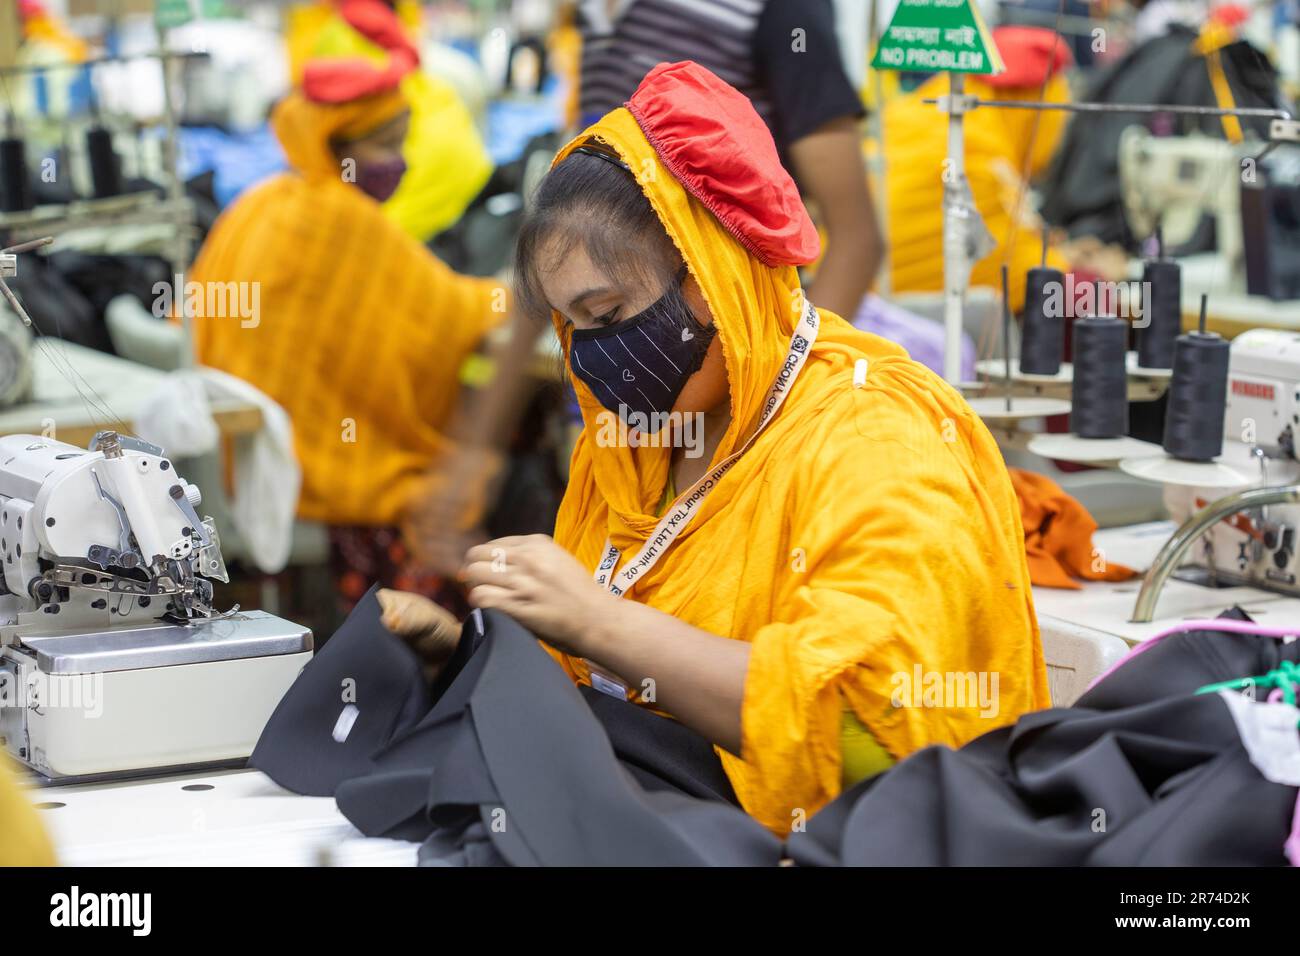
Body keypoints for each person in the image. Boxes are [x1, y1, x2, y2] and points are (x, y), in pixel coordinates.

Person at [387, 62, 1049, 834]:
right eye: (577, 328)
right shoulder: (636, 452)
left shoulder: (875, 437)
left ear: (718, 268)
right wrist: (462, 656)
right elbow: (598, 700)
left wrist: (600, 622)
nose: (598, 358)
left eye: (610, 313)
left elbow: (877, 736)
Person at [187, 20, 506, 610]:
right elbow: (450, 317)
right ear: (336, 146)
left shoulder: (264, 201)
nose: (402, 161)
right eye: (385, 145)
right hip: (312, 470)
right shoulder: (342, 221)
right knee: (458, 480)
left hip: (250, 466)